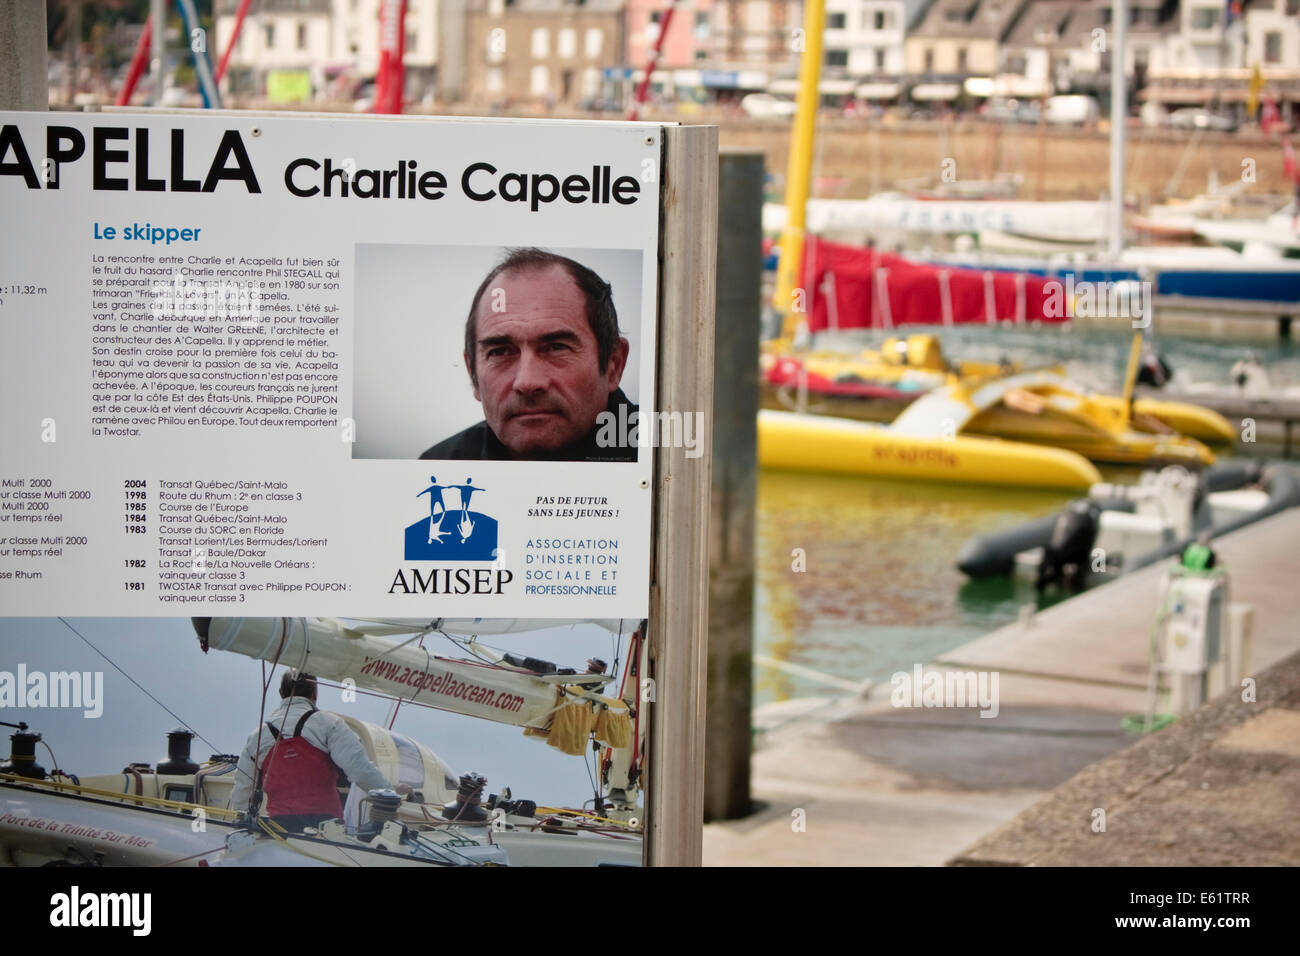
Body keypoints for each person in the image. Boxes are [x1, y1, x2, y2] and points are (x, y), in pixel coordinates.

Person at [420, 248, 637, 461]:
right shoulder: (439, 467)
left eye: (556, 347)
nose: (527, 382)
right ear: (472, 374)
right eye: (500, 352)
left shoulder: (663, 457)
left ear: (613, 365)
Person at [228, 670, 399, 833]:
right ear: (315, 693)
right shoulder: (329, 724)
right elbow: (360, 770)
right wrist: (390, 795)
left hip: (278, 829)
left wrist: (240, 817)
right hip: (325, 829)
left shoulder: (257, 735)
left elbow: (243, 786)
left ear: (281, 693)